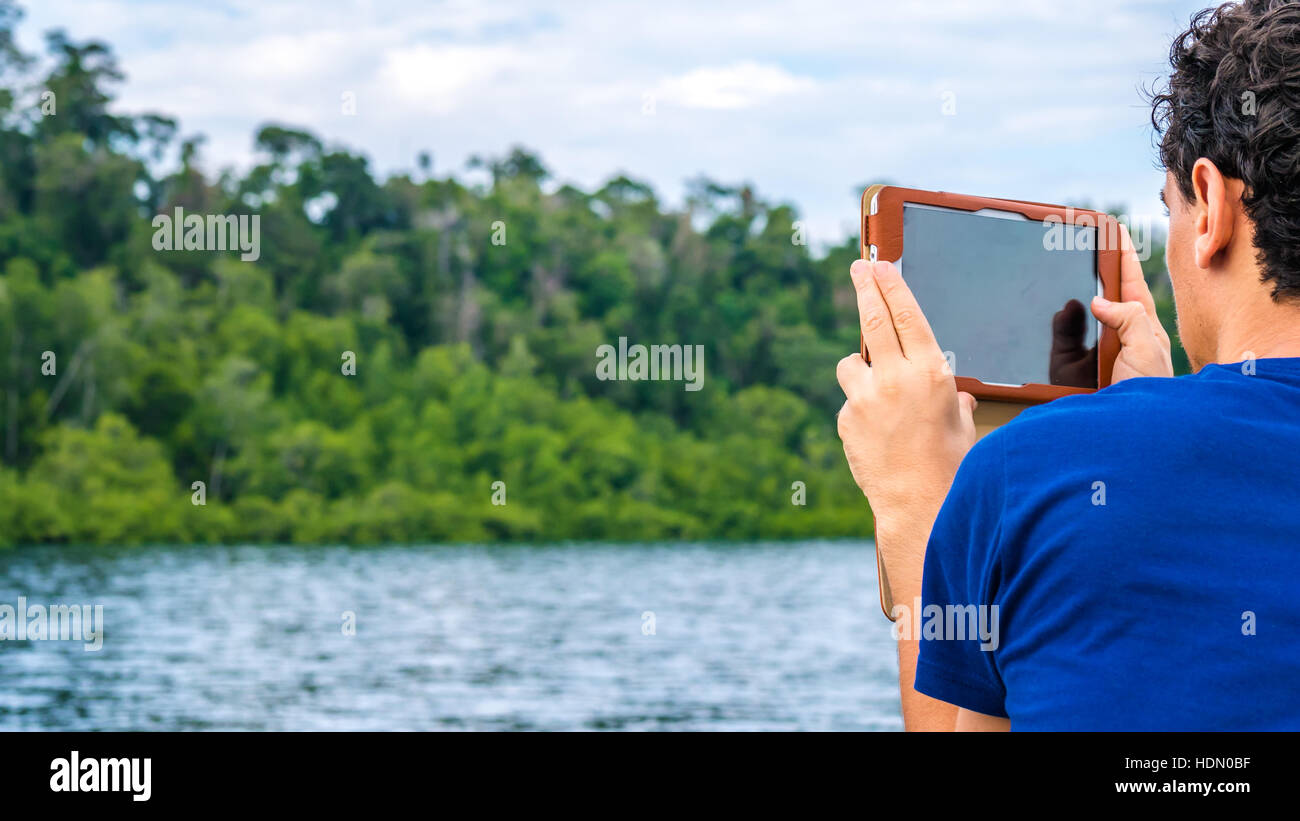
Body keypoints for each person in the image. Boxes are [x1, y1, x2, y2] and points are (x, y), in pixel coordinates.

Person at [835, 0, 1300, 730]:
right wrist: (1161, 428)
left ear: (1208, 206)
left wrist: (919, 507)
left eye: (1171, 209)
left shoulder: (1027, 475)